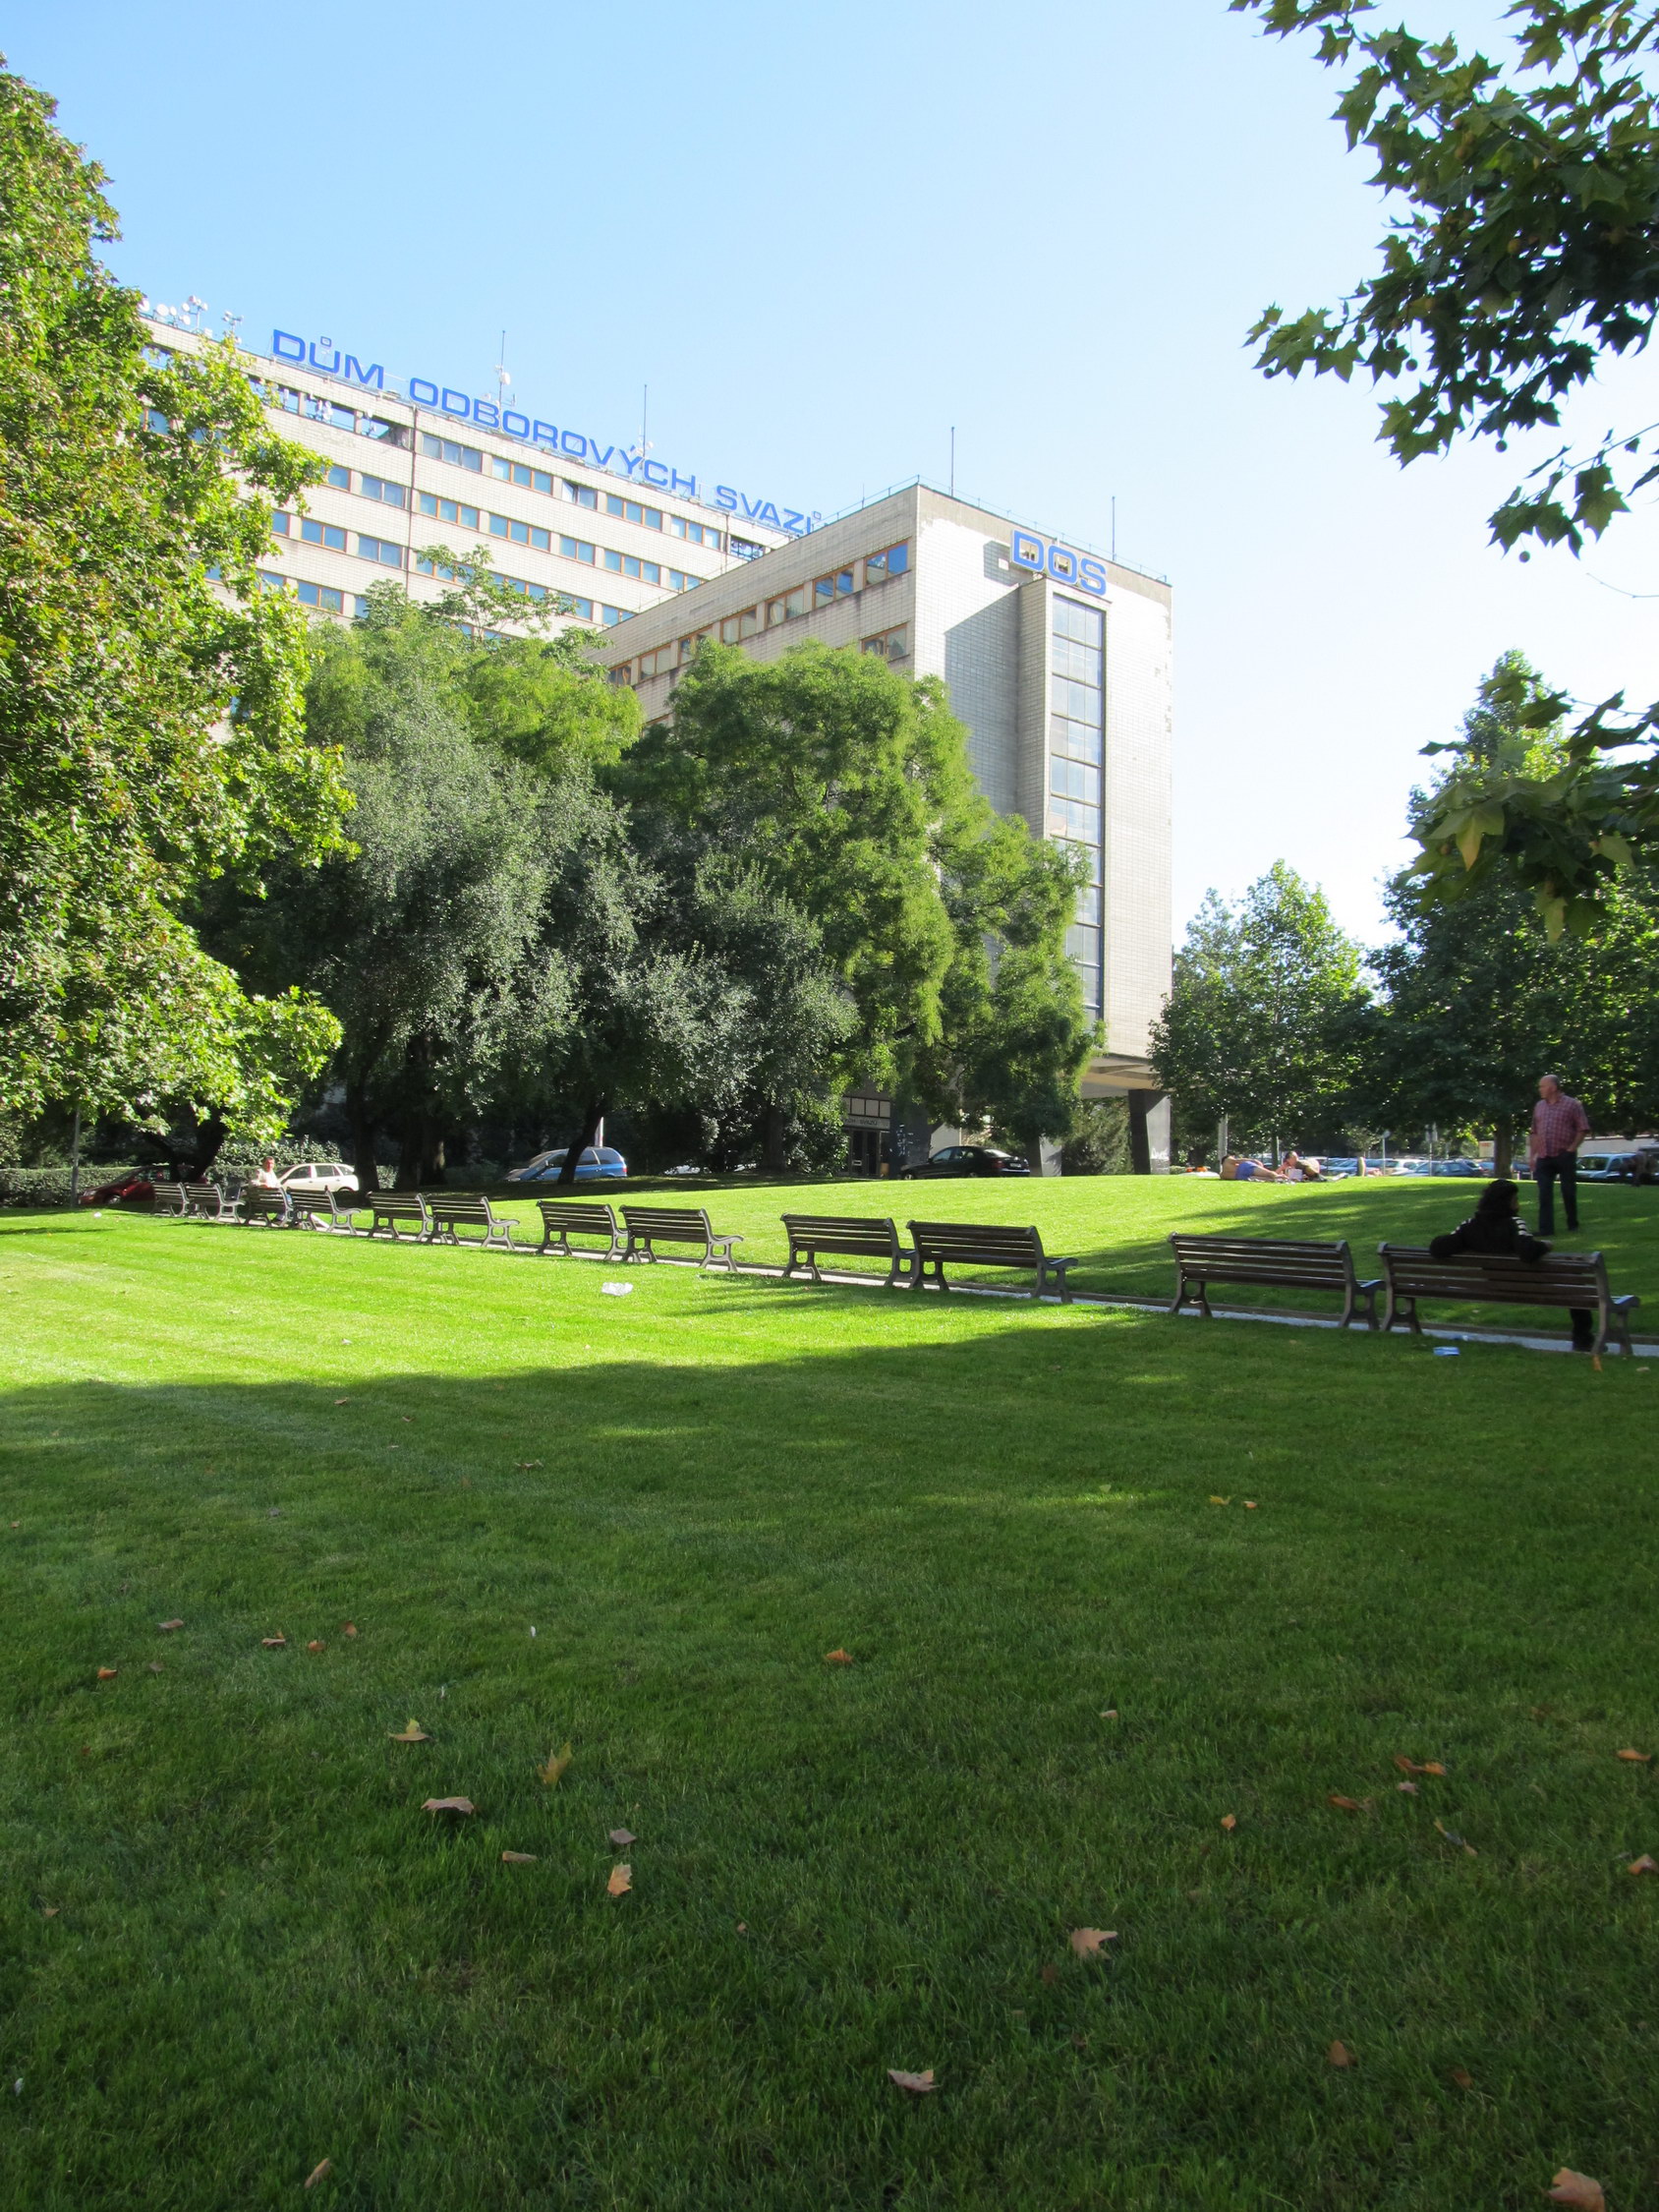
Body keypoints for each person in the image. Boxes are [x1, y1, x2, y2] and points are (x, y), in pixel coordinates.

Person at [1430, 1178, 1594, 1350]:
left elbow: (1438, 1248)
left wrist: (1466, 1243)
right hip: (1527, 1285)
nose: (1518, 1205)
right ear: (1507, 1202)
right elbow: (1527, 1253)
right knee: (1576, 1284)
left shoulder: (1471, 1226)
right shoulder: (1514, 1223)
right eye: (1515, 1200)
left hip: (1493, 1283)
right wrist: (1545, 1245)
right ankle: (1583, 1339)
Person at [1528, 1074, 1590, 1236]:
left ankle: (1572, 1223)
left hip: (1564, 1154)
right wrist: (1532, 1156)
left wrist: (1572, 1149)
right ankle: (1546, 1229)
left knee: (1568, 1191)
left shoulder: (1572, 1104)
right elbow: (1535, 1132)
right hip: (1544, 1156)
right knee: (1544, 1193)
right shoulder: (1539, 1106)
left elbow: (1583, 1128)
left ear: (1553, 1087)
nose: (1540, 1089)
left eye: (1542, 1086)